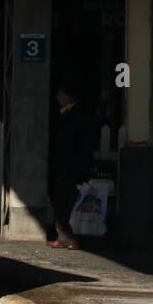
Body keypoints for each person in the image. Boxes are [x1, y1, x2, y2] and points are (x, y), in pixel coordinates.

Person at [48, 82, 96, 249]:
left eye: (61, 95)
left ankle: (69, 238)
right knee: (59, 201)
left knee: (65, 203)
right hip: (62, 166)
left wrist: (79, 166)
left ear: (69, 97)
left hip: (71, 167)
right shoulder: (64, 114)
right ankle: (62, 237)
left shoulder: (78, 115)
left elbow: (82, 144)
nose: (58, 98)